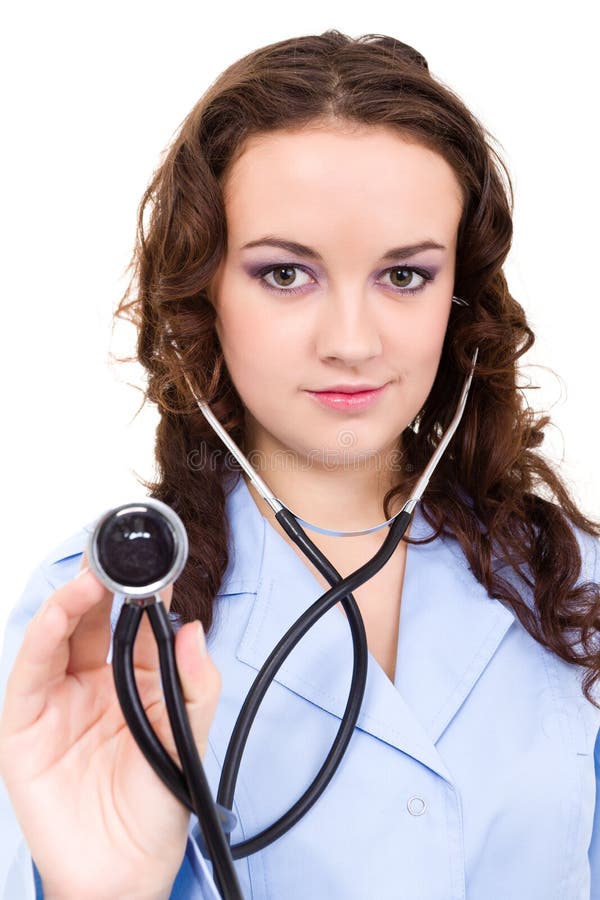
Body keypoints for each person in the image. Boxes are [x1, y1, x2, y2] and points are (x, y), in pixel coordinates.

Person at [0, 29, 599, 900]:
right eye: (286, 275)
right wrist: (104, 891)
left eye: (404, 277)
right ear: (201, 293)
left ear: (461, 294)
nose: (351, 344)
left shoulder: (573, 586)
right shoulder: (94, 614)